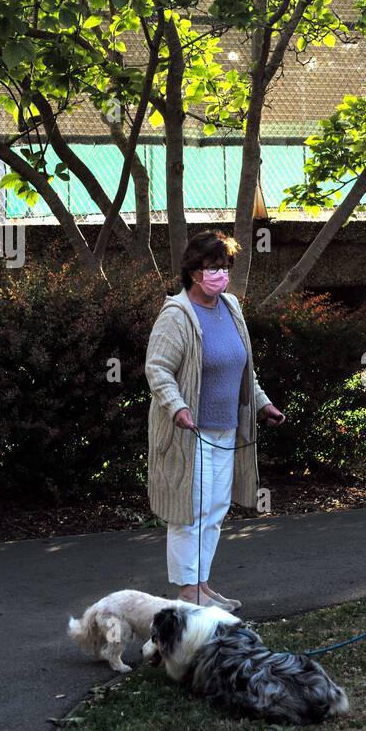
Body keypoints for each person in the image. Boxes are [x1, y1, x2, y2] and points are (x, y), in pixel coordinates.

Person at [144, 232, 285, 611]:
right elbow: (157, 370)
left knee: (215, 510)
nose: (220, 274)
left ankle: (203, 586)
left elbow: (243, 370)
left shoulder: (231, 308)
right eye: (212, 267)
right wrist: (177, 407)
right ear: (193, 271)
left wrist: (263, 404)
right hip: (189, 433)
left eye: (224, 266)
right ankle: (187, 594)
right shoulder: (177, 314)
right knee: (189, 513)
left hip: (226, 430)